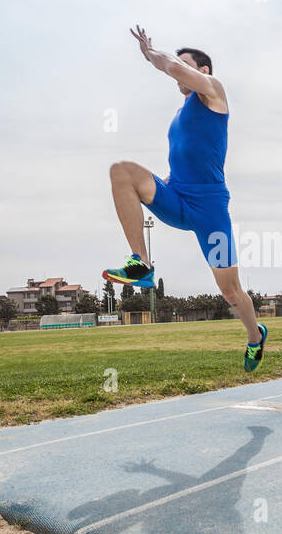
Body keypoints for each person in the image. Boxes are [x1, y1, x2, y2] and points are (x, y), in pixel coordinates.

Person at [103, 25, 268, 371]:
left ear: (203, 70)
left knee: (231, 292)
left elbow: (173, 68)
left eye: (185, 63)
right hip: (177, 197)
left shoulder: (214, 92)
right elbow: (186, 152)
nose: (178, 67)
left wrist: (152, 54)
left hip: (210, 210)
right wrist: (167, 180)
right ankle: (141, 264)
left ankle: (255, 336)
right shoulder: (180, 114)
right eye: (178, 62)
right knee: (122, 171)